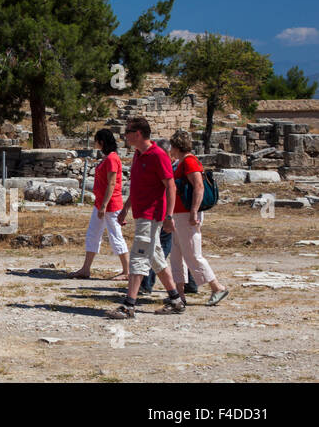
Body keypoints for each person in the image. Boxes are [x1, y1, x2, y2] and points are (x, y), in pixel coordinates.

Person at [106, 117, 185, 318]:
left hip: (152, 215)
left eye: (128, 132)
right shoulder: (138, 155)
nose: (125, 136)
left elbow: (170, 186)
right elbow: (138, 187)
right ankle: (176, 300)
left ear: (138, 133)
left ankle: (129, 305)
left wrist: (169, 215)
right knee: (156, 256)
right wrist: (125, 209)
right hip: (141, 214)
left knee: (139, 256)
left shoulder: (158, 155)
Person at [167, 129, 230, 306]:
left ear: (176, 146)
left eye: (171, 146)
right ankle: (179, 293)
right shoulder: (181, 162)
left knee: (193, 255)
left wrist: (194, 211)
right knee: (176, 255)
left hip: (187, 214)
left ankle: (217, 287)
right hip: (179, 214)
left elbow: (199, 186)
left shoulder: (189, 162)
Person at [70, 129, 129, 280]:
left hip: (110, 205)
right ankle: (85, 269)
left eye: (96, 140)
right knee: (93, 233)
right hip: (101, 203)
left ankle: (127, 270)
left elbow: (111, 183)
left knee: (115, 235)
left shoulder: (111, 159)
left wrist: (104, 205)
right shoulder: (107, 158)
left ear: (101, 142)